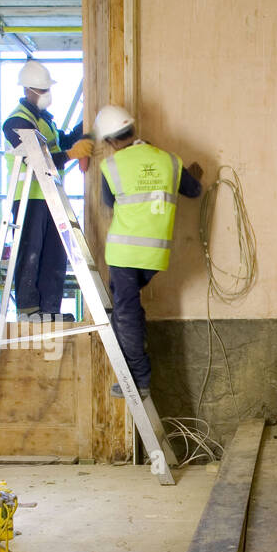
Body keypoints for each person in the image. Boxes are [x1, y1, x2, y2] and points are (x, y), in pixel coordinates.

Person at [93, 104, 202, 400]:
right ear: (133, 129)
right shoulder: (170, 160)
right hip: (154, 257)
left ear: (110, 141)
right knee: (128, 310)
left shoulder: (111, 166)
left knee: (126, 313)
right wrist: (189, 174)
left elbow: (107, 201)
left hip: (123, 254)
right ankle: (135, 373)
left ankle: (139, 379)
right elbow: (194, 191)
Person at [2, 61, 93, 322]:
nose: (46, 94)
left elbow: (61, 141)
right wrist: (70, 154)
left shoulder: (44, 121)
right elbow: (38, 156)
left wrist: (85, 124)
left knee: (55, 253)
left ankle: (49, 308)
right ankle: (29, 309)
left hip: (50, 196)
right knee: (31, 252)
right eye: (42, 90)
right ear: (28, 89)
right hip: (29, 196)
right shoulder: (17, 121)